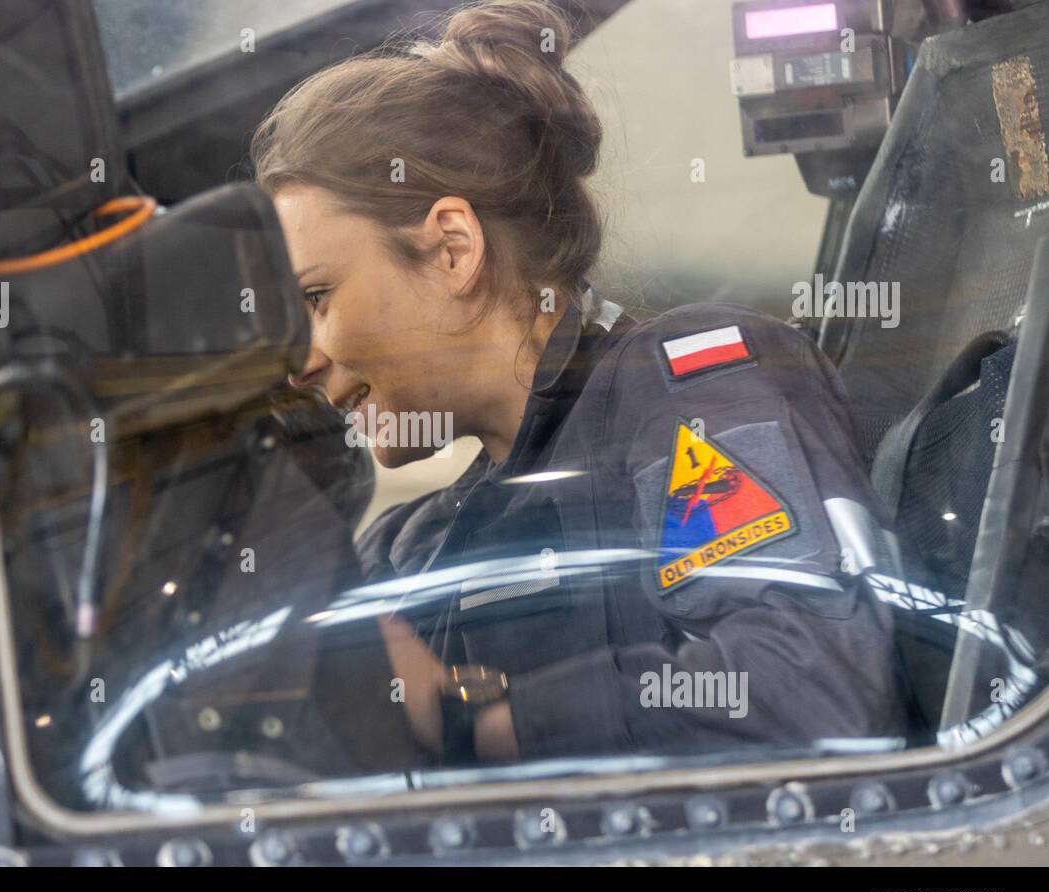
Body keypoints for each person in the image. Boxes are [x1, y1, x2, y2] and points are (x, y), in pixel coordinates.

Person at [251, 0, 912, 765]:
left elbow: (811, 687)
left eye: (316, 298)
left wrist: (472, 722)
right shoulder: (409, 549)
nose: (298, 363)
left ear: (452, 249)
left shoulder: (693, 388)